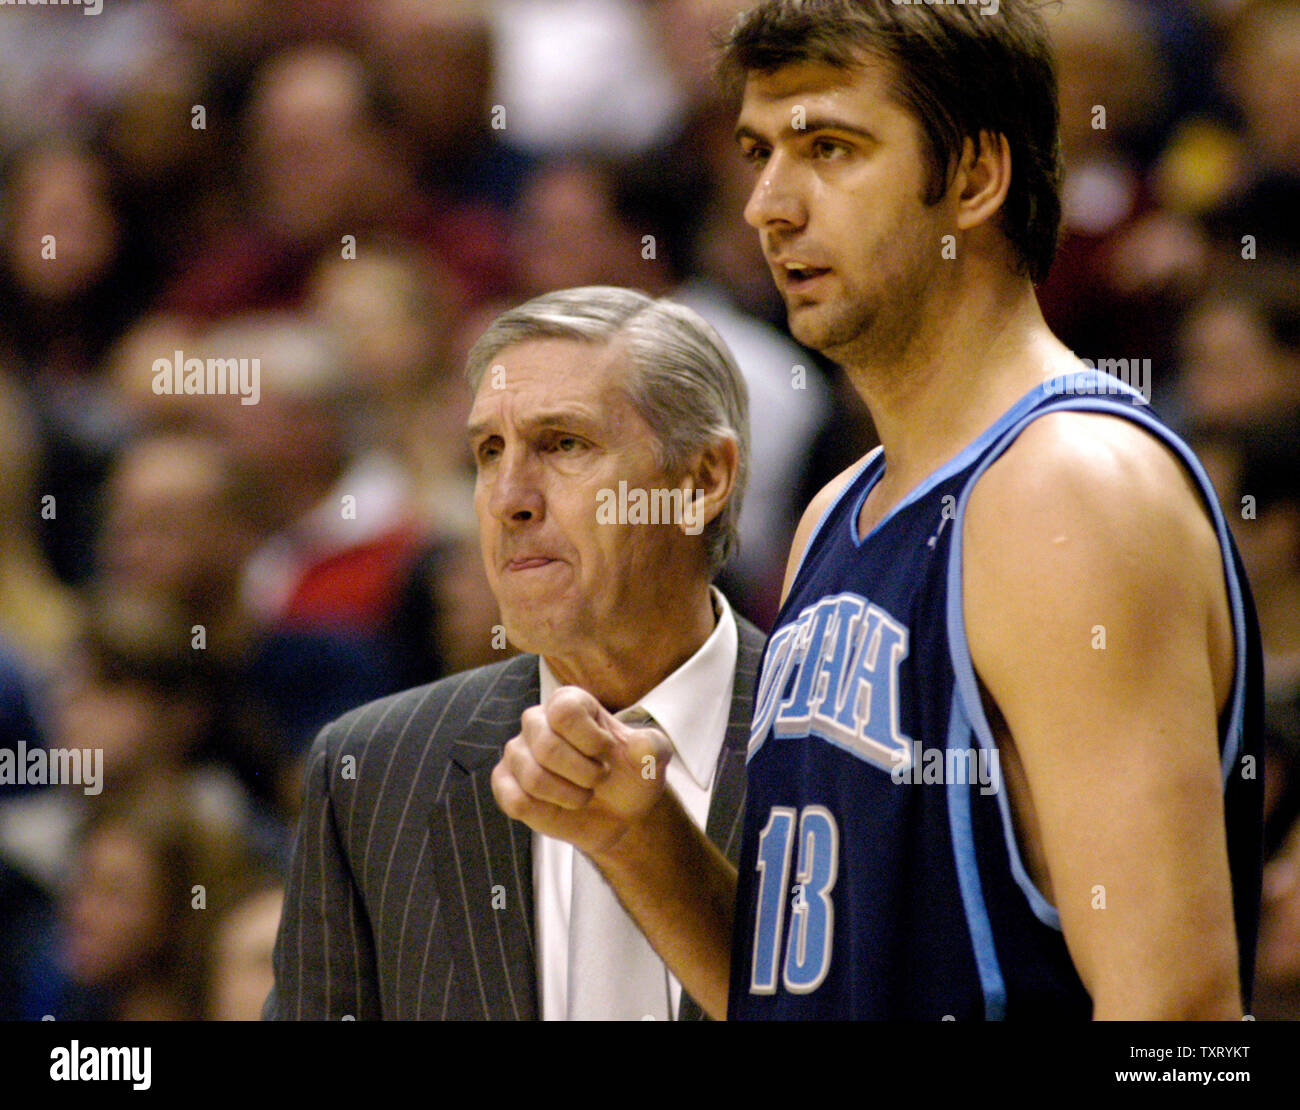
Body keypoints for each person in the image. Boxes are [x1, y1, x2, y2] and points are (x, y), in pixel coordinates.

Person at [491, 0, 1264, 1020]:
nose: (769, 202)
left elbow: (1179, 1020)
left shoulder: (1063, 492)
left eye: (829, 148)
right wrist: (638, 837)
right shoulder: (838, 511)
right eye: (759, 152)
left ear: (976, 179)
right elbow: (823, 988)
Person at [264, 285, 764, 1019]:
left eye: (564, 444)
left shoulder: (843, 740)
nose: (509, 498)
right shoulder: (370, 771)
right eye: (488, 452)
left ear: (701, 481)